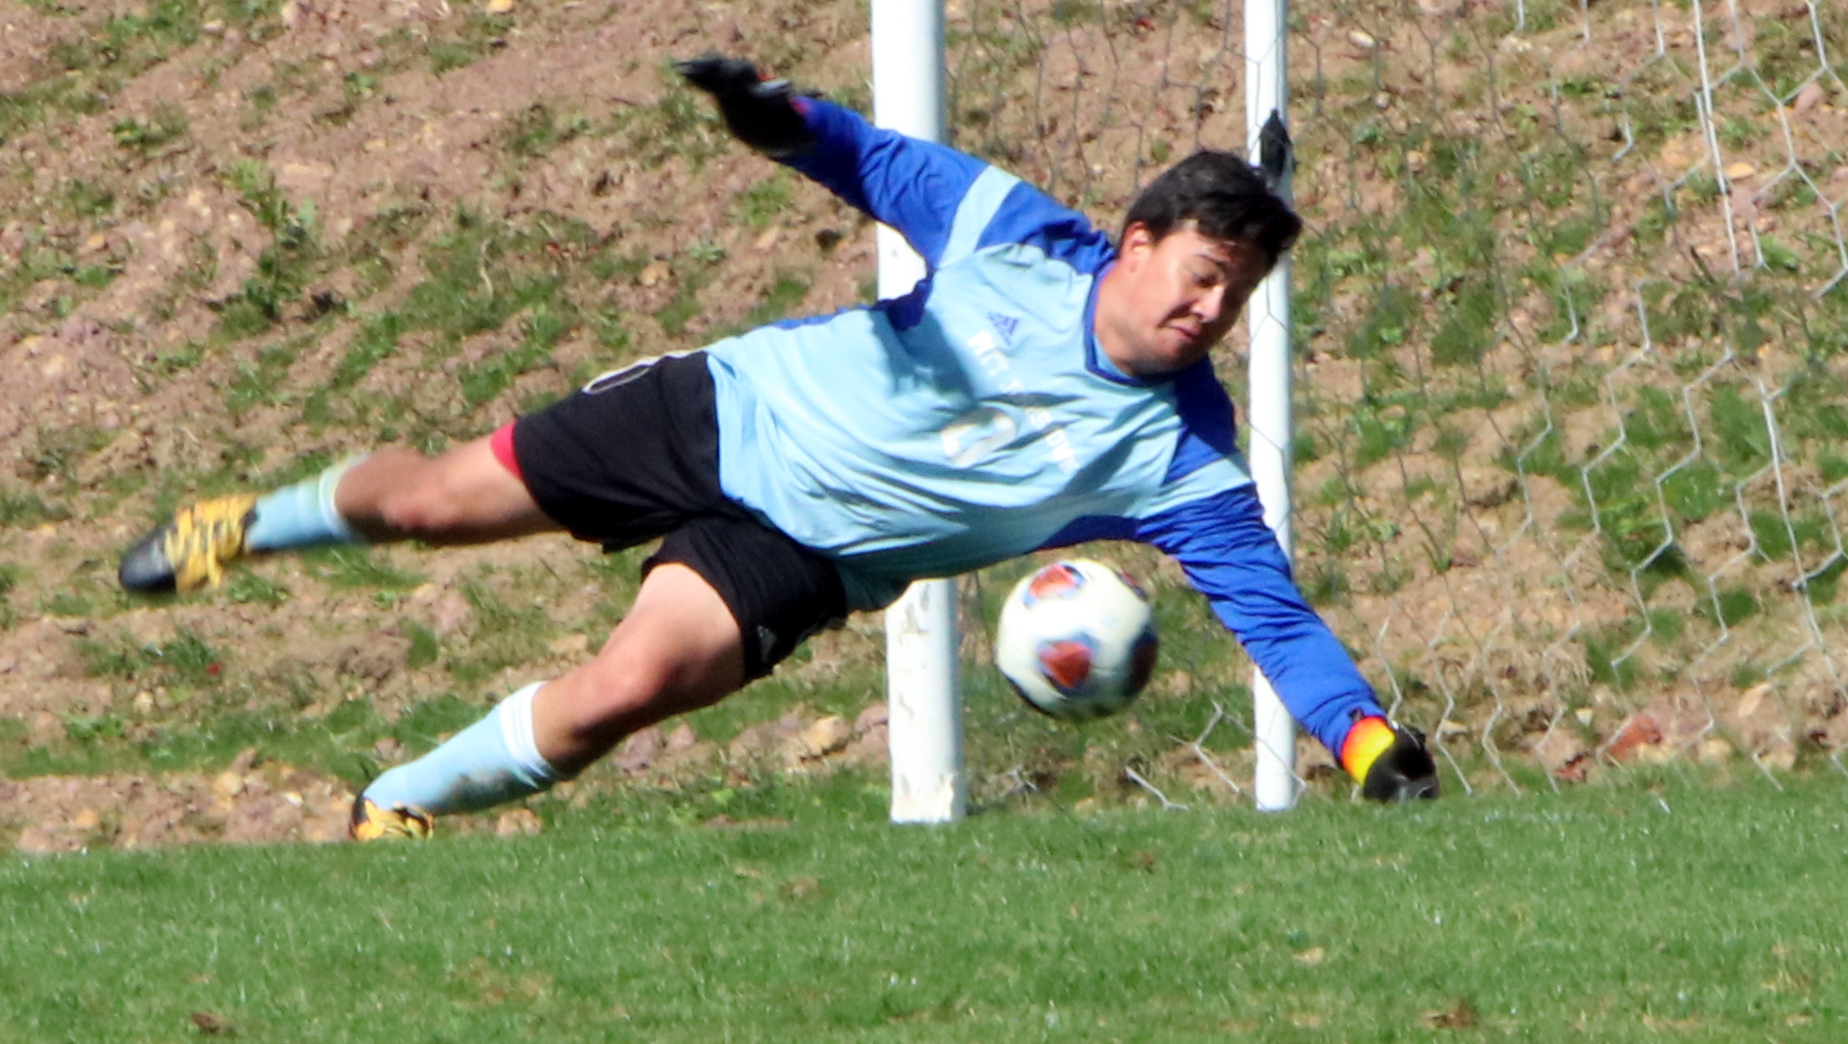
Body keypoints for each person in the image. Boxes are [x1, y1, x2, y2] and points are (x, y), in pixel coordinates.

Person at [117, 55, 1439, 839]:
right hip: (726, 413)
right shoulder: (1020, 235)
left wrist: (1367, 745)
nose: (1210, 311)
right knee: (430, 506)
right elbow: (871, 160)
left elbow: (1271, 616)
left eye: (1234, 296)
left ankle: (393, 804)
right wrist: (775, 118)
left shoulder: (1184, 456)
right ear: (1137, 242)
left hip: (810, 555)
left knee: (623, 690)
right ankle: (247, 525)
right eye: (1201, 275)